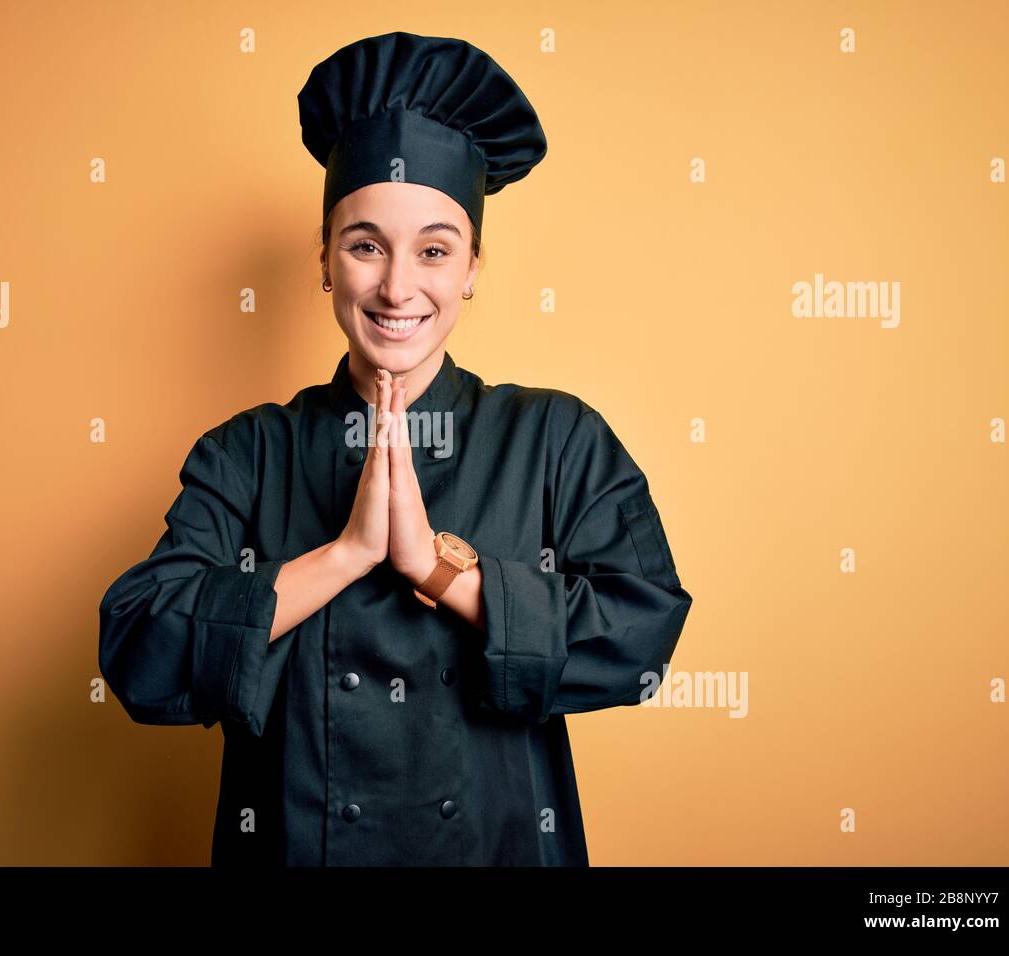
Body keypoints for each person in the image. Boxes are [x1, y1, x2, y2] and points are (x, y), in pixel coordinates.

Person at [98, 31, 693, 866]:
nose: (398, 287)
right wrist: (346, 556)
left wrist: (438, 572)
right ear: (324, 261)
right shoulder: (246, 453)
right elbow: (138, 652)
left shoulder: (556, 439)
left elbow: (640, 640)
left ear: (474, 268)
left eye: (436, 250)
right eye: (365, 245)